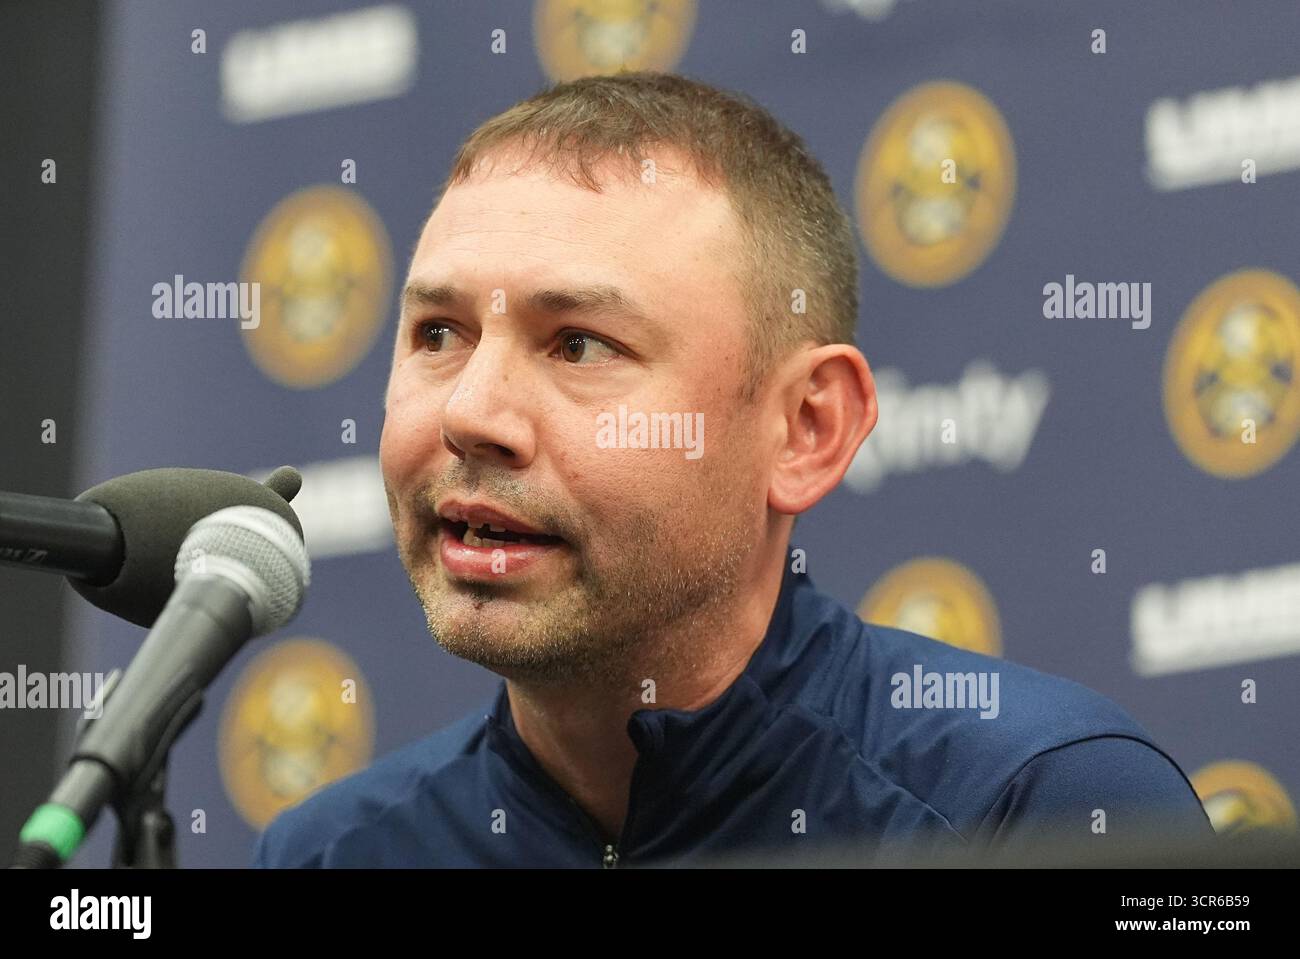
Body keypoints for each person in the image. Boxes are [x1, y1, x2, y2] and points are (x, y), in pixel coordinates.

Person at [255, 72, 1212, 868]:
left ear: (806, 428)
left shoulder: (1045, 805)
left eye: (579, 345)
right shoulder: (327, 855)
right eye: (438, 333)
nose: (471, 412)